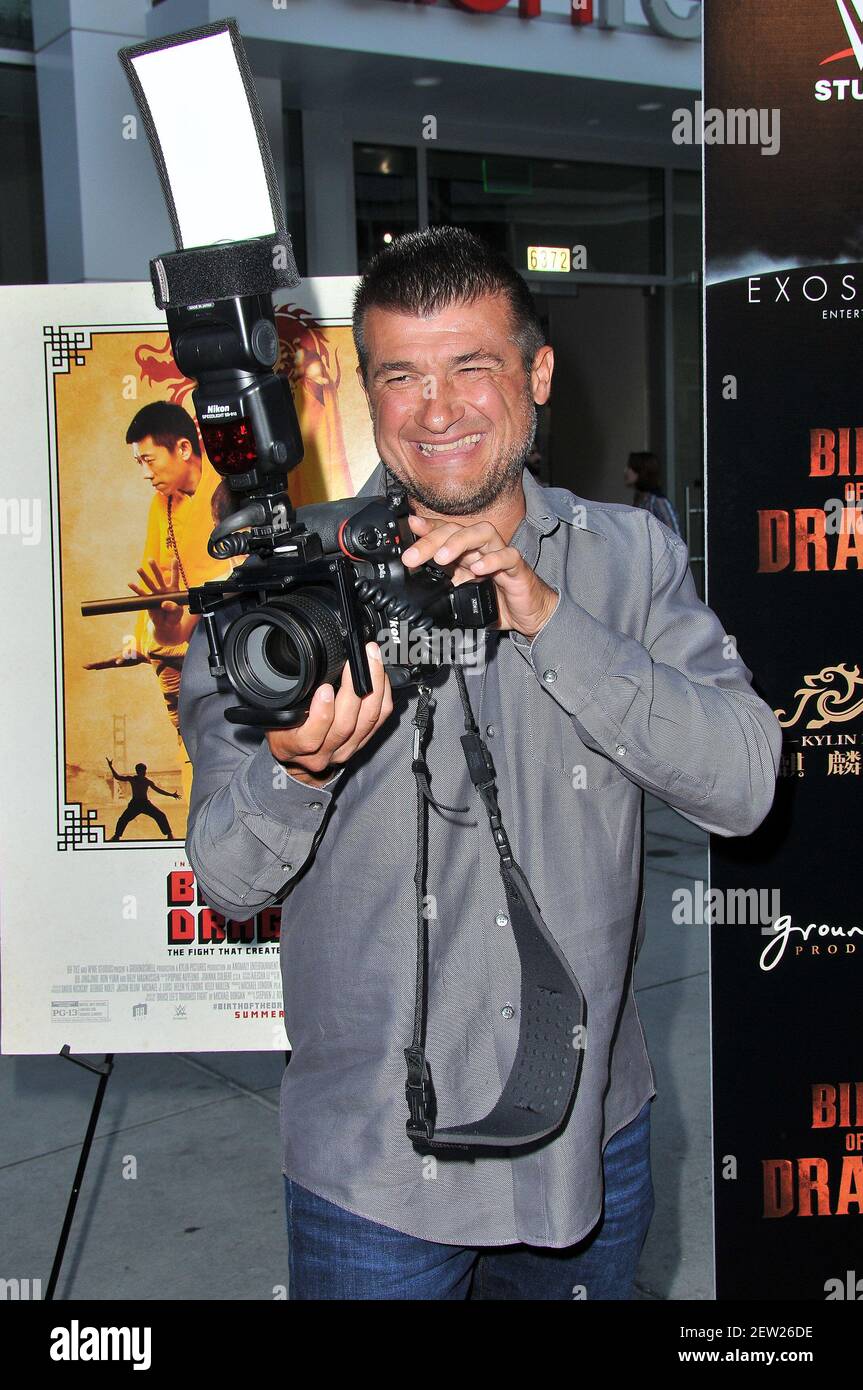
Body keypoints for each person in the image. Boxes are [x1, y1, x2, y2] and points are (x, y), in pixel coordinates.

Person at [178, 226, 782, 1301]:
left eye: (471, 366)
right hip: (372, 1168)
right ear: (368, 392)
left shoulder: (628, 556)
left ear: (537, 374)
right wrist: (298, 775)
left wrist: (550, 621)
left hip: (588, 1129)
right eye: (400, 376)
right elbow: (225, 878)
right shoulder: (282, 592)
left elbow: (742, 785)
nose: (436, 410)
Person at [87, 402, 231, 808]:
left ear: (184, 449)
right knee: (197, 756)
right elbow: (153, 582)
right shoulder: (162, 503)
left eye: (149, 459)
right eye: (139, 463)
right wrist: (141, 640)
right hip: (180, 651)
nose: (145, 473)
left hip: (229, 641)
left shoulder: (229, 489)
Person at [106, 757, 179, 841]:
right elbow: (117, 777)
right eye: (142, 771)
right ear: (138, 771)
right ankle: (116, 836)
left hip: (145, 803)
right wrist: (110, 766)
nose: (144, 772)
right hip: (135, 804)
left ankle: (169, 835)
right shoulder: (133, 779)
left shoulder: (147, 781)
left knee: (161, 815)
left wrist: (171, 795)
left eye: (144, 771)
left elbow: (158, 790)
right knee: (123, 819)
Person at [624, 450, 683, 537]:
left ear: (641, 471)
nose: (625, 471)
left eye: (630, 467)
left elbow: (675, 537)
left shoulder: (657, 502)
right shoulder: (639, 499)